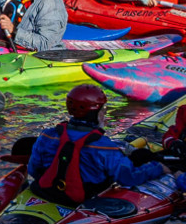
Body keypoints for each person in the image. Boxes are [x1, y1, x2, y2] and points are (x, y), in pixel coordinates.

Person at [27, 85, 169, 205]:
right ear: (96, 113)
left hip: (43, 192)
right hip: (82, 200)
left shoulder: (47, 135)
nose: (104, 114)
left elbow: (33, 169)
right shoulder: (104, 147)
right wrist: (158, 168)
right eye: (103, 110)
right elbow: (128, 177)